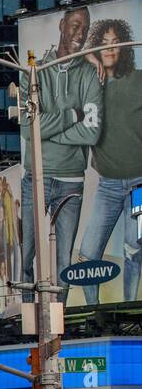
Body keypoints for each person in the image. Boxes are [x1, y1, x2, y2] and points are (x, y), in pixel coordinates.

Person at [17, 5, 103, 303]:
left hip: (71, 183)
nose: (80, 32)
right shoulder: (35, 70)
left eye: (85, 26)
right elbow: (29, 131)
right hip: (36, 178)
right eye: (75, 24)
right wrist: (71, 115)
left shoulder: (90, 75)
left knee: (64, 262)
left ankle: (58, 324)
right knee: (26, 254)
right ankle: (28, 322)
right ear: (62, 25)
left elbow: (92, 132)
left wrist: (47, 129)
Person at [78, 18, 142, 306]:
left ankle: (131, 309)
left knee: (133, 248)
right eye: (103, 44)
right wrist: (91, 61)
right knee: (87, 255)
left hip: (140, 184)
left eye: (115, 42)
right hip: (109, 186)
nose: (110, 49)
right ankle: (93, 313)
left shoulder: (139, 80)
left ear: (124, 47)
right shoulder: (91, 85)